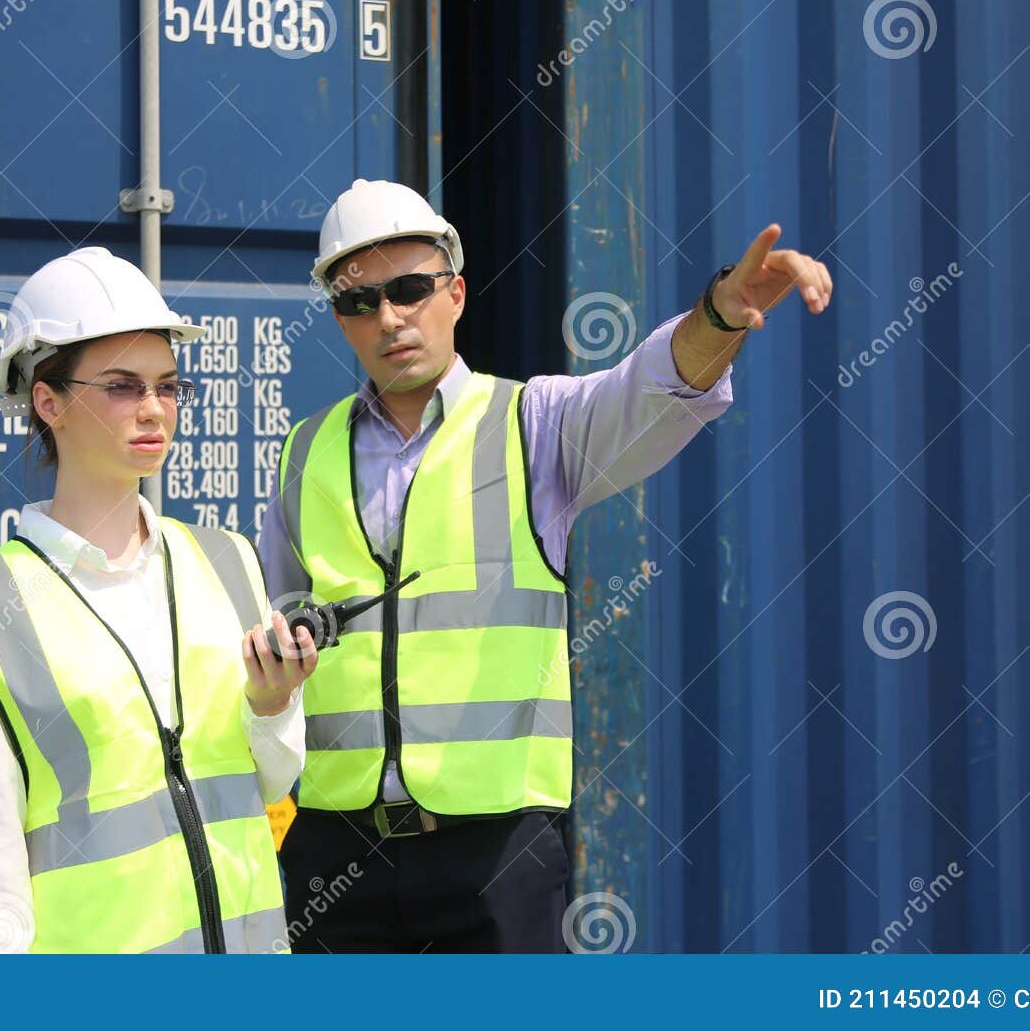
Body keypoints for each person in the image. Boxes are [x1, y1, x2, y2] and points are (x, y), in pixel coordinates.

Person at [260, 179, 832, 952]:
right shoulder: (304, 453)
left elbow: (651, 392)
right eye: (361, 300)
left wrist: (721, 317)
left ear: (455, 294)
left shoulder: (533, 424)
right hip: (339, 853)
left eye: (409, 290)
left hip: (494, 859)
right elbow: (269, 636)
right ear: (338, 317)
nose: (389, 316)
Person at [0, 246, 316, 953]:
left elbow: (274, 779)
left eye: (168, 386)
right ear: (49, 402)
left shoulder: (226, 561)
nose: (155, 409)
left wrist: (271, 704)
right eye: (123, 387)